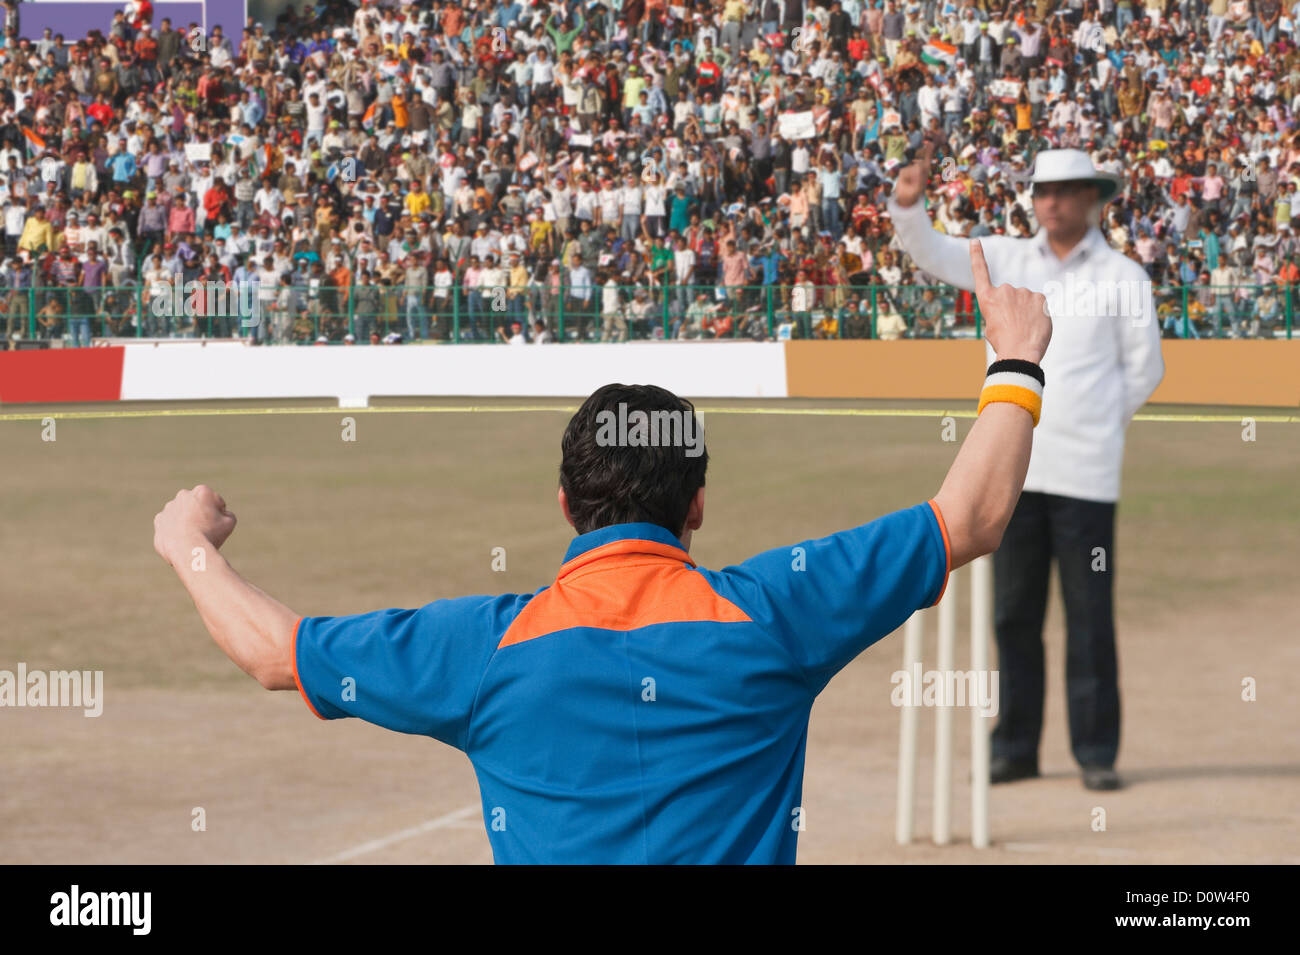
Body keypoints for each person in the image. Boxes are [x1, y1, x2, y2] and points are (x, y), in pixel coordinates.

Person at [152, 242, 1054, 863]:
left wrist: (189, 546)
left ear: (564, 504)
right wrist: (1014, 359)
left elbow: (279, 654)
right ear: (696, 505)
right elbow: (971, 517)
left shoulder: (481, 649)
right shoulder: (779, 611)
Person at [888, 144, 1166, 791]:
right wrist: (907, 203)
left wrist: (1094, 424)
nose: (1054, 202)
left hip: (1086, 473)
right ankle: (1014, 746)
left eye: (1068, 191)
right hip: (1012, 471)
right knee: (1013, 614)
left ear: (1094, 198)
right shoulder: (1007, 258)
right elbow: (931, 251)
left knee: (1088, 613)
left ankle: (1096, 752)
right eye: (1044, 191)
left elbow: (1144, 370)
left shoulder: (1124, 277)